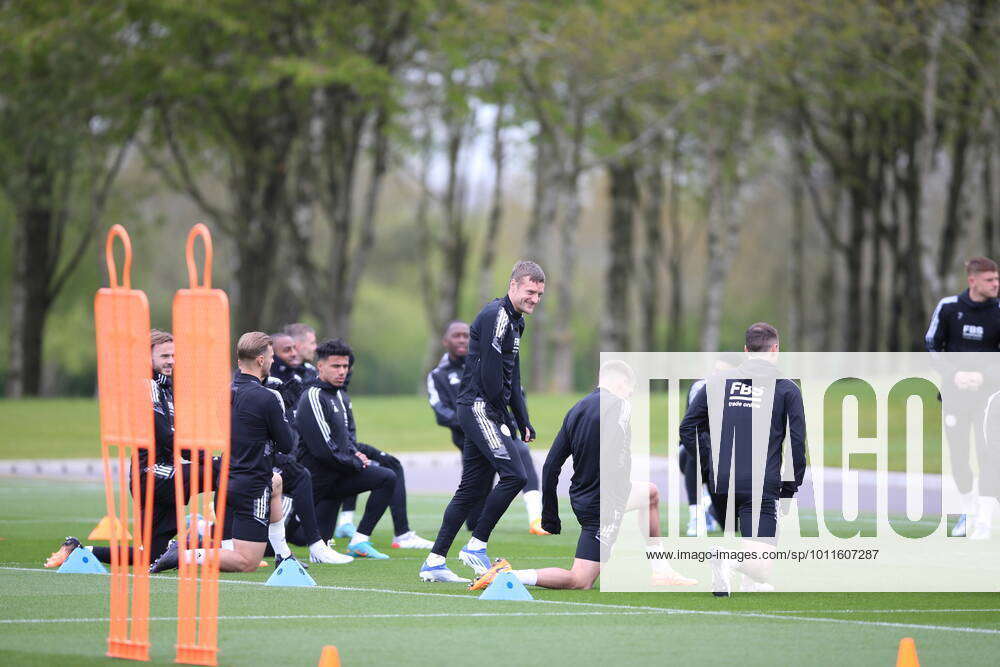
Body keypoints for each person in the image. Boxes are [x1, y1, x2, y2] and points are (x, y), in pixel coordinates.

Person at [471, 361, 697, 591]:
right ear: (622, 383)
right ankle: (509, 575)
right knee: (580, 580)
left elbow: (551, 465)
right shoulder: (621, 406)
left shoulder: (576, 410)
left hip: (584, 498)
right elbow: (620, 457)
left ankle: (661, 571)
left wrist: (550, 513)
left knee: (650, 493)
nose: (630, 394)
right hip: (604, 503)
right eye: (631, 388)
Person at [45, 330, 222, 569]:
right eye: (164, 356)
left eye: (174, 355)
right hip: (152, 474)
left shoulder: (166, 388)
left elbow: (177, 437)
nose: (171, 360)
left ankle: (79, 549)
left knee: (147, 557)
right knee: (226, 471)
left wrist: (203, 457)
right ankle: (231, 544)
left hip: (160, 473)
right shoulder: (147, 386)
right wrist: (208, 459)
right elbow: (166, 435)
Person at [419, 261, 544, 583]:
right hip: (477, 407)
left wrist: (523, 418)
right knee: (515, 475)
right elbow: (489, 372)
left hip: (487, 409)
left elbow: (512, 374)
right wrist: (502, 415)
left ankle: (434, 561)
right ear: (513, 285)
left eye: (540, 294)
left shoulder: (517, 322)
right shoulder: (495, 315)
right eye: (530, 291)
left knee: (471, 489)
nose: (535, 299)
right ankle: (476, 546)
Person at [152, 332, 300, 573]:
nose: (273, 362)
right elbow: (286, 444)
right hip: (252, 483)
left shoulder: (225, 392)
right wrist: (285, 413)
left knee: (277, 482)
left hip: (228, 479)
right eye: (271, 357)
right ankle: (185, 554)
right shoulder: (268, 397)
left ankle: (283, 555)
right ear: (261, 360)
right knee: (247, 562)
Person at [679, 322, 807, 595]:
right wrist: (790, 486)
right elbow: (797, 444)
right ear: (776, 349)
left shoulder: (717, 383)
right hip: (761, 483)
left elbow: (687, 427)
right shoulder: (786, 389)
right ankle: (732, 563)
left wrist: (708, 464)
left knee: (751, 537)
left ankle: (748, 583)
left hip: (722, 483)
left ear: (746, 350)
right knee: (763, 564)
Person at [297, 338, 433, 550]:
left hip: (337, 477)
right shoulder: (313, 396)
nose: (342, 371)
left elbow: (348, 437)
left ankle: (359, 540)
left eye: (345, 366)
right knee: (297, 538)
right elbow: (324, 450)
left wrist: (355, 454)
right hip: (317, 484)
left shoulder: (341, 396)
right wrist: (354, 462)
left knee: (387, 476)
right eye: (336, 366)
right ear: (320, 366)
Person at [427, 320, 547, 534]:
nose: (462, 339)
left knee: (521, 452)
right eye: (457, 335)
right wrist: (473, 422)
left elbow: (515, 391)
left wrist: (515, 422)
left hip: (499, 433)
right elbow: (441, 413)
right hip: (470, 443)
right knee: (473, 520)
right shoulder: (438, 375)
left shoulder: (487, 363)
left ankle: (537, 518)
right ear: (446, 341)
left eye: (466, 335)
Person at [925, 256, 1000, 538]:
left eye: (997, 279)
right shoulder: (948, 307)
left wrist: (985, 377)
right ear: (973, 281)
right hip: (955, 396)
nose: (996, 284)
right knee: (958, 458)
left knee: (989, 455)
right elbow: (932, 344)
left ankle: (984, 518)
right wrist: (953, 374)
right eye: (990, 280)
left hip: (990, 399)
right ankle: (967, 513)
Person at [678, 354, 742, 537]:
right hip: (700, 455)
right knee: (696, 448)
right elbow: (693, 430)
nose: (717, 375)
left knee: (732, 526)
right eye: (716, 370)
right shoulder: (701, 387)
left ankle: (711, 509)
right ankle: (696, 515)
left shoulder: (748, 392)